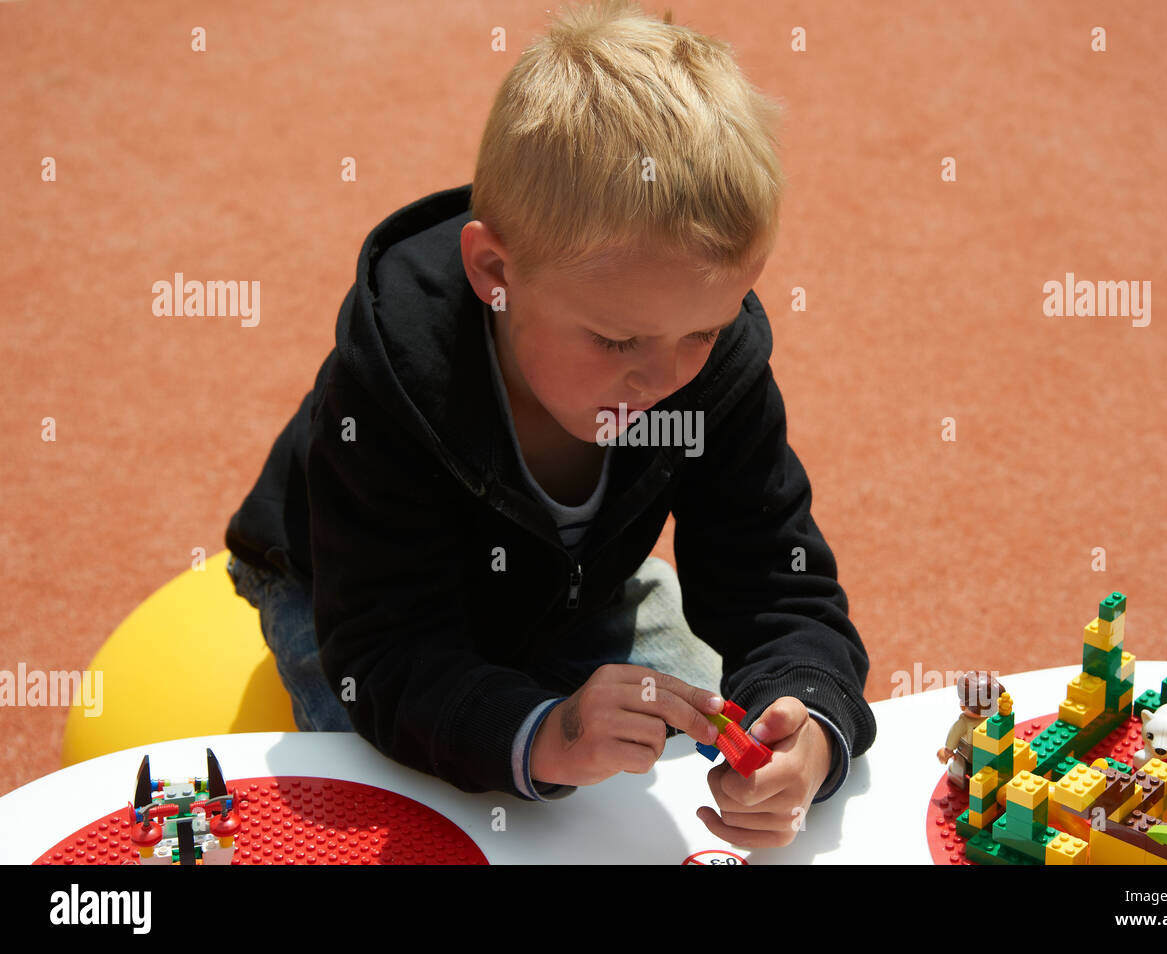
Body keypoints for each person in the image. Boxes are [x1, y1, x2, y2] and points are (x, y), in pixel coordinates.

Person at [225, 0, 874, 848]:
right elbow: (385, 653)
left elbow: (779, 587)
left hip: (573, 585)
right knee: (436, 818)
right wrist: (544, 734)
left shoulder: (708, 375)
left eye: (703, 331)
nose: (663, 377)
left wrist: (812, 721)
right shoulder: (393, 388)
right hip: (345, 596)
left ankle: (611, 607)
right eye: (614, 339)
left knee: (715, 742)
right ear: (495, 272)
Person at [937, 671, 1005, 788]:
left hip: (976, 753)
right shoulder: (981, 721)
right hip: (979, 753)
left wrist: (948, 750)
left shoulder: (965, 723)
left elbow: (954, 735)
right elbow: (954, 735)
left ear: (963, 705)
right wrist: (948, 749)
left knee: (966, 766)